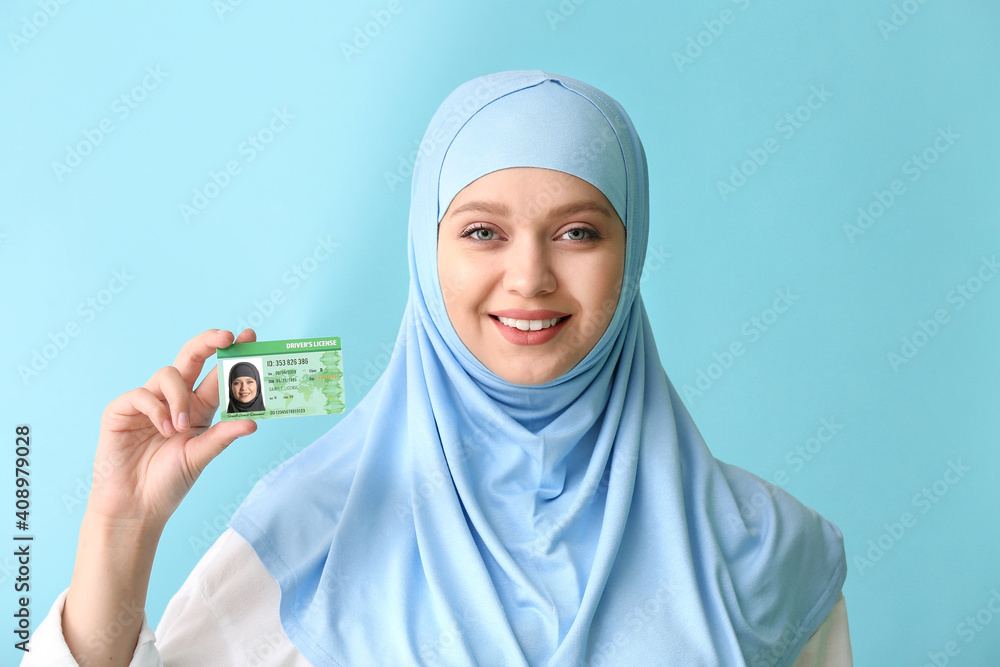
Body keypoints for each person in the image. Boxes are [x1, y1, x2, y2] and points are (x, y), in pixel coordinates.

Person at [25, 71, 851, 665]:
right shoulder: (316, 533)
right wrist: (119, 532)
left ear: (631, 253)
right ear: (427, 255)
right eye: (483, 232)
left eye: (578, 232)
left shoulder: (767, 552)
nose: (528, 278)